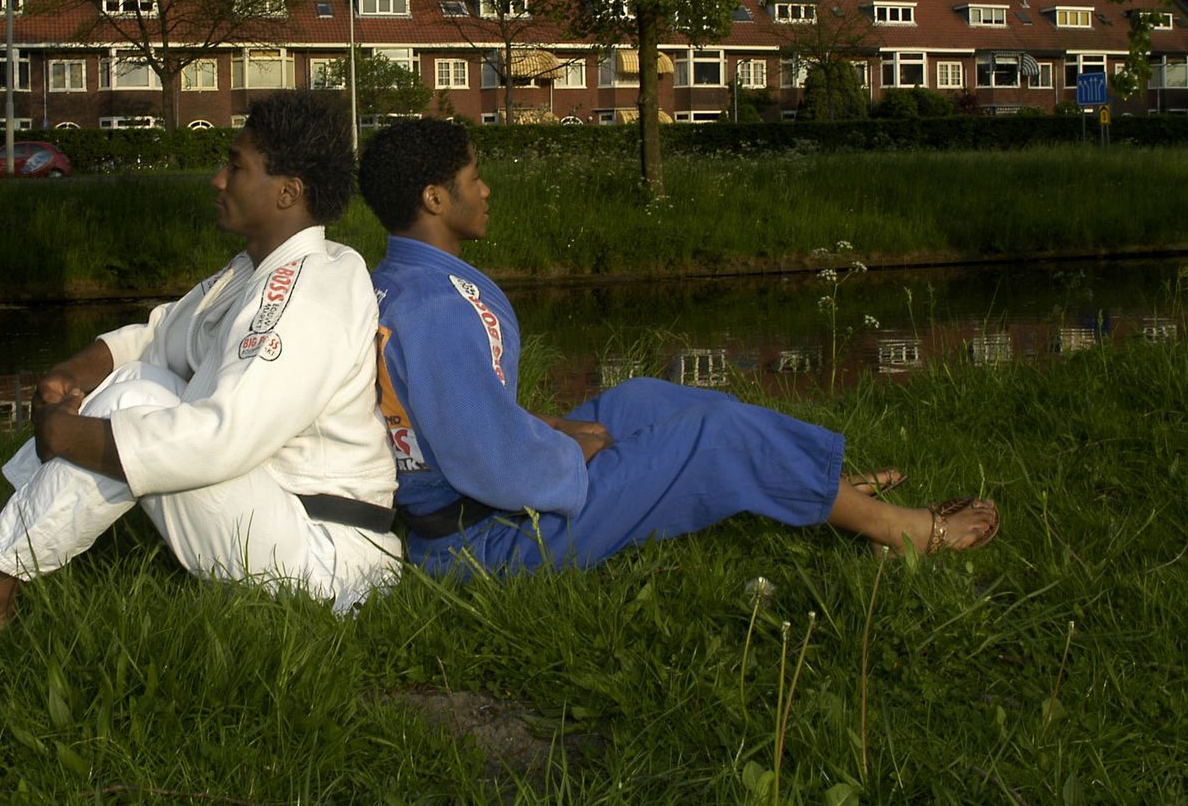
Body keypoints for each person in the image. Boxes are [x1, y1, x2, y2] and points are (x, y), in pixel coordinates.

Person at [357, 119, 999, 576]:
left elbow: (447, 415)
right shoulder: (438, 307)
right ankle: (901, 531)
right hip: (486, 543)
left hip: (480, 509)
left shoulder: (403, 283)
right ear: (436, 198)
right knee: (713, 434)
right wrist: (568, 452)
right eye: (476, 177)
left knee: (640, 400)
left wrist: (551, 424)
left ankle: (805, 481)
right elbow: (489, 460)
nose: (487, 189)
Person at [0, 92, 400, 629]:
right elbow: (157, 339)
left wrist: (66, 436)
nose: (218, 179)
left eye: (236, 166)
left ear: (288, 193)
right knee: (137, 379)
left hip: (332, 562)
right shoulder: (251, 272)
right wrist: (68, 376)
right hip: (278, 516)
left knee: (136, 399)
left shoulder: (310, 290)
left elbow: (219, 439)